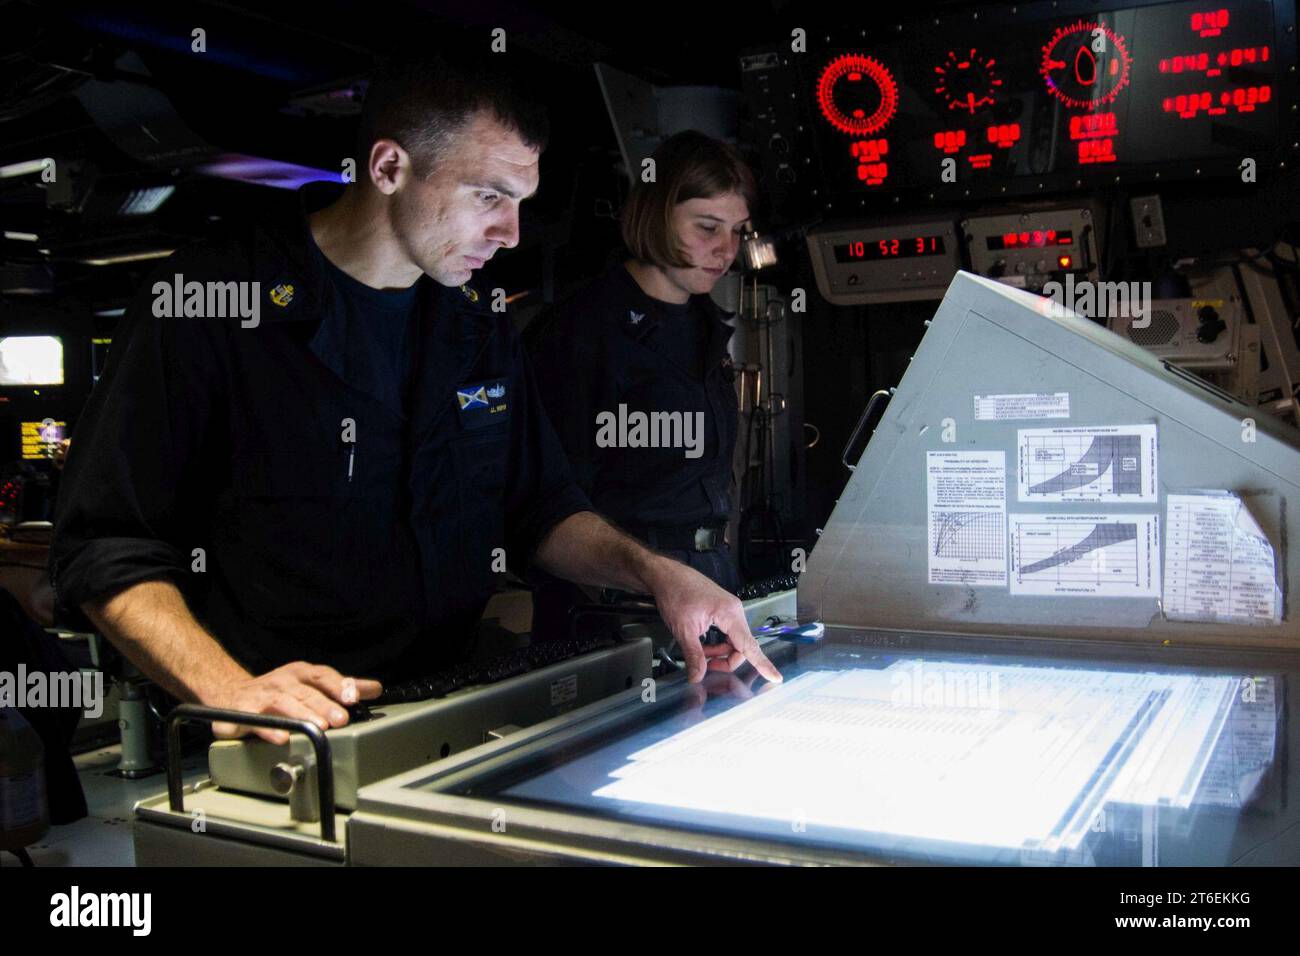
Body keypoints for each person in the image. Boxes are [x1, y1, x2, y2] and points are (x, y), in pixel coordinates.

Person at [50, 59, 780, 745]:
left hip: (448, 707)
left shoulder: (474, 322)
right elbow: (104, 545)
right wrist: (229, 691)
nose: (511, 231)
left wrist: (660, 575)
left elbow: (541, 509)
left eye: (521, 203)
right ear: (390, 167)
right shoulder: (212, 304)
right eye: (489, 196)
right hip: (285, 728)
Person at [525, 131, 754, 642]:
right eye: (708, 227)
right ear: (655, 211)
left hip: (713, 579)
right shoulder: (579, 332)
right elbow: (544, 503)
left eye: (737, 231)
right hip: (614, 601)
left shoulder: (708, 326)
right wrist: (623, 592)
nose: (726, 250)